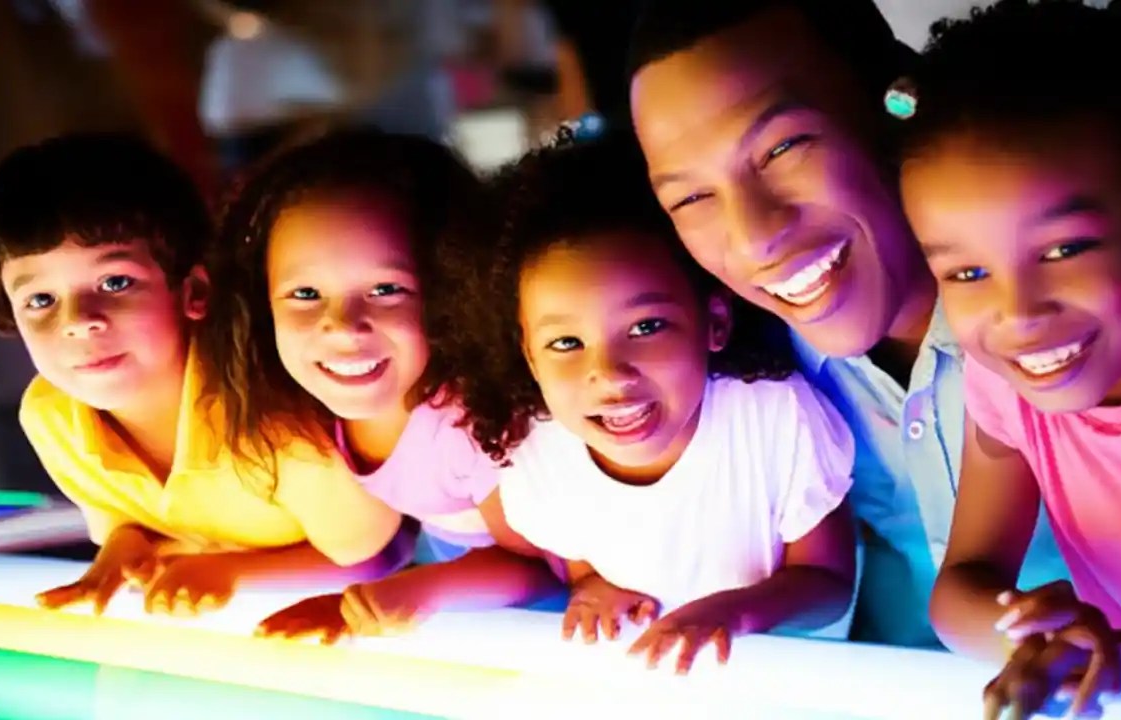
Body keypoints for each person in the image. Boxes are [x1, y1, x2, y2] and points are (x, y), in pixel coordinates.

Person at [626, 0, 1071, 647]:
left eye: (782, 146)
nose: (756, 241)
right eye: (691, 197)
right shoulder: (739, 362)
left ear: (897, 103)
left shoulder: (1115, 255)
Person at [895, 0, 1121, 716]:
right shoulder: (1004, 380)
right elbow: (961, 586)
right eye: (967, 272)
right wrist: (1027, 638)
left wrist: (1113, 665)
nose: (1018, 316)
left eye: (1063, 250)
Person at [456, 131, 857, 674]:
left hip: (796, 679)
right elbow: (583, 562)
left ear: (714, 322)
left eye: (646, 326)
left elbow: (829, 584)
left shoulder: (775, 417)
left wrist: (732, 614)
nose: (608, 374)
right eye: (565, 344)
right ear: (528, 355)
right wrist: (592, 587)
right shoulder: (536, 455)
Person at [0, 133, 405, 616]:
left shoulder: (270, 418)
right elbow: (125, 520)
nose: (78, 321)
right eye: (40, 300)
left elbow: (373, 555)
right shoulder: (51, 415)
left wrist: (229, 572)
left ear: (192, 291)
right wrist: (117, 557)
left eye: (115, 282)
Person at [197, 128, 558, 642]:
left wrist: (410, 593)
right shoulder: (312, 406)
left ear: (448, 288)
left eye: (386, 289)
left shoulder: (466, 423)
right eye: (304, 293)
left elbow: (538, 566)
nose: (343, 326)